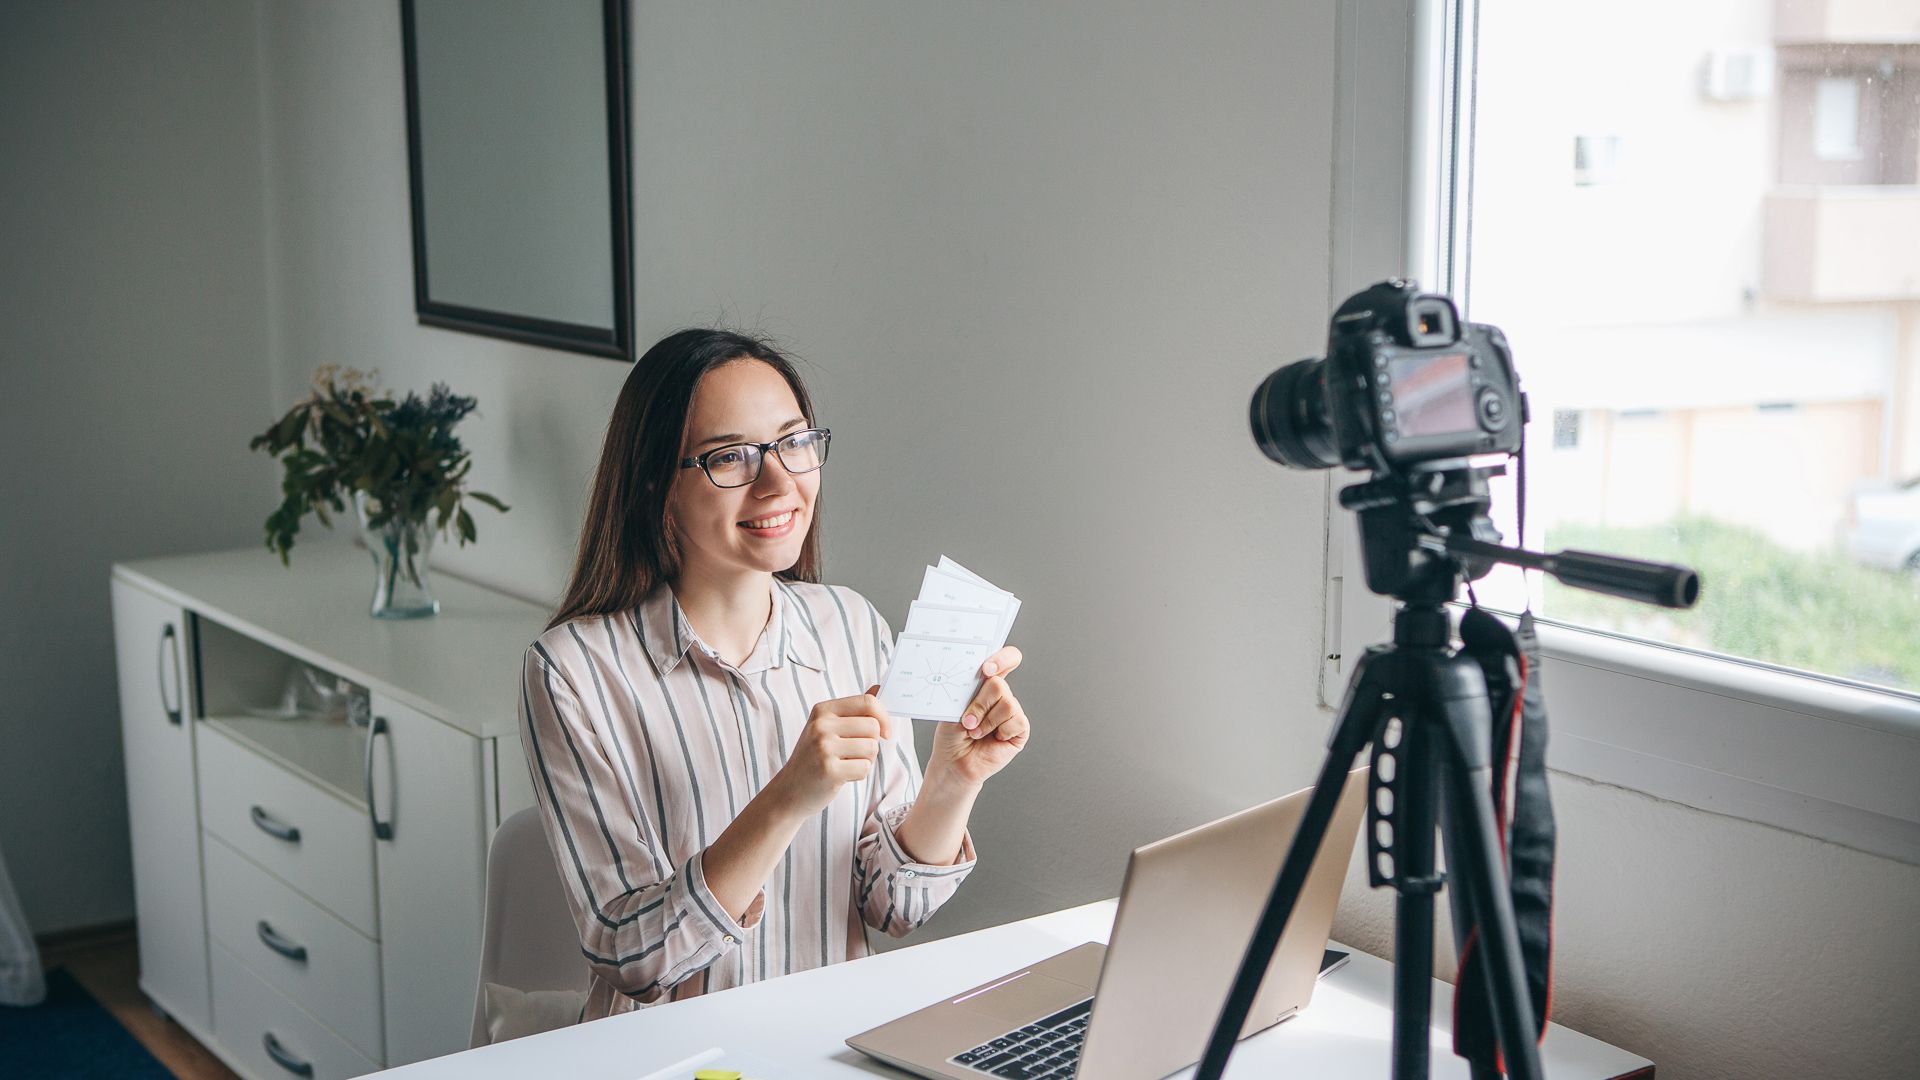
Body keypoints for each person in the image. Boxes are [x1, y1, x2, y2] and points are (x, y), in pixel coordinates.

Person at [520, 329, 1031, 1021]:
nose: (781, 482)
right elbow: (635, 959)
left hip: (827, 1047)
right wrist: (787, 798)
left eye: (794, 442)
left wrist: (954, 779)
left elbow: (895, 907)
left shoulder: (852, 625)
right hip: (669, 1059)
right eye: (731, 456)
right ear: (653, 482)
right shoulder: (574, 672)